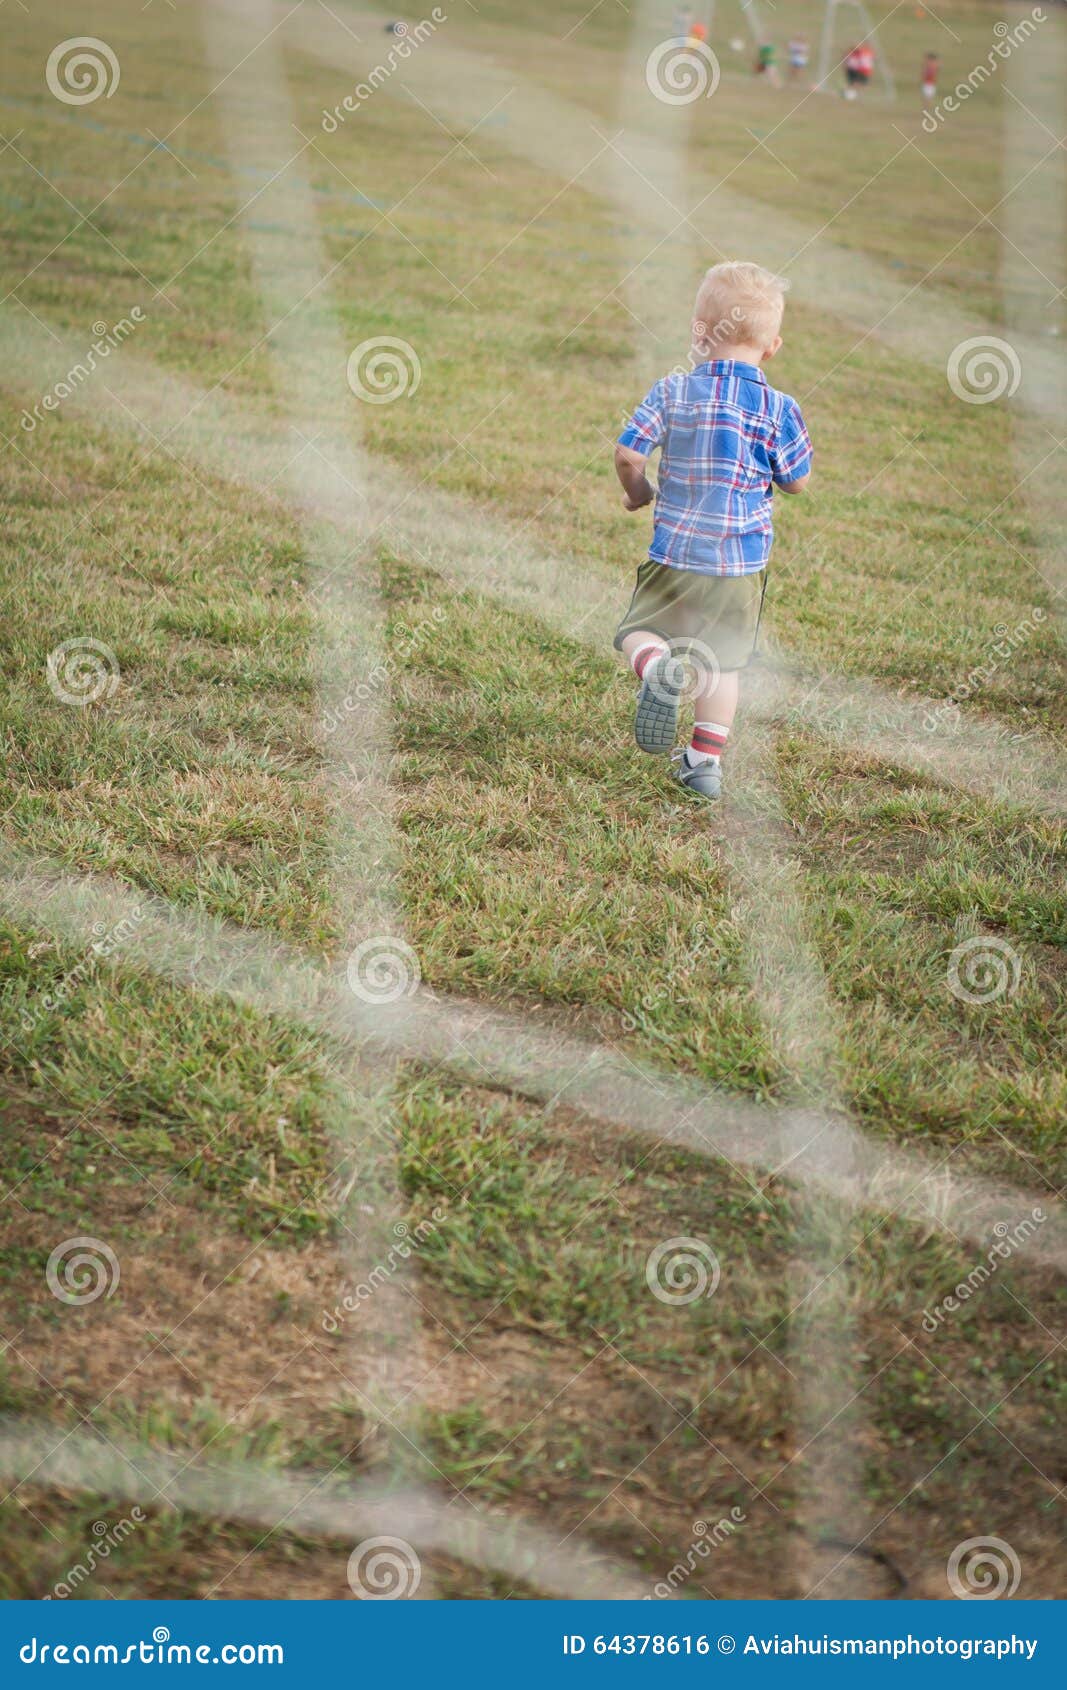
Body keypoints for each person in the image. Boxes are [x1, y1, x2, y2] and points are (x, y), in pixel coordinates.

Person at [612, 262, 813, 802]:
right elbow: (796, 481)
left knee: (639, 632)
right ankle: (704, 765)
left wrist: (639, 493)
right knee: (722, 663)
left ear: (699, 332)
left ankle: (657, 667)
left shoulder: (673, 390)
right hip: (737, 568)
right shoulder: (779, 408)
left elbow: (629, 452)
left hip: (674, 555)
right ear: (772, 346)